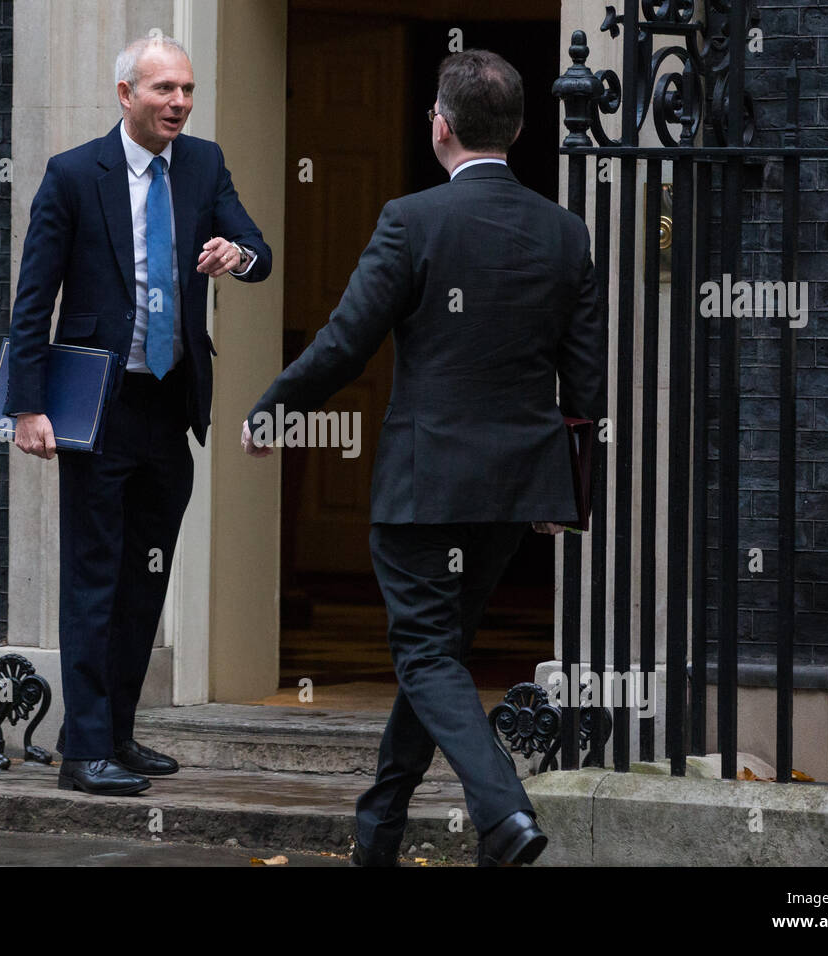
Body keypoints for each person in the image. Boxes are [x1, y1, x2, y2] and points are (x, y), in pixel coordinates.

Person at [242, 49, 603, 865]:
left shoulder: (410, 220)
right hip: (513, 491)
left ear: (439, 126)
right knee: (435, 651)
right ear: (516, 128)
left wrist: (274, 407)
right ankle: (380, 827)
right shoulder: (565, 230)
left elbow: (345, 343)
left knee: (425, 652)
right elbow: (586, 384)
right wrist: (567, 490)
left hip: (425, 484)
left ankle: (503, 812)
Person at [6, 35, 272, 796]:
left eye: (187, 90)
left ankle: (118, 734)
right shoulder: (70, 176)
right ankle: (81, 751)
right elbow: (34, 303)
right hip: (97, 407)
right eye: (164, 90)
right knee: (93, 577)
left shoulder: (203, 164)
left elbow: (259, 249)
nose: (180, 104)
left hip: (170, 404)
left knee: (143, 580)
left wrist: (236, 256)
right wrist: (28, 406)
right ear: (126, 94)